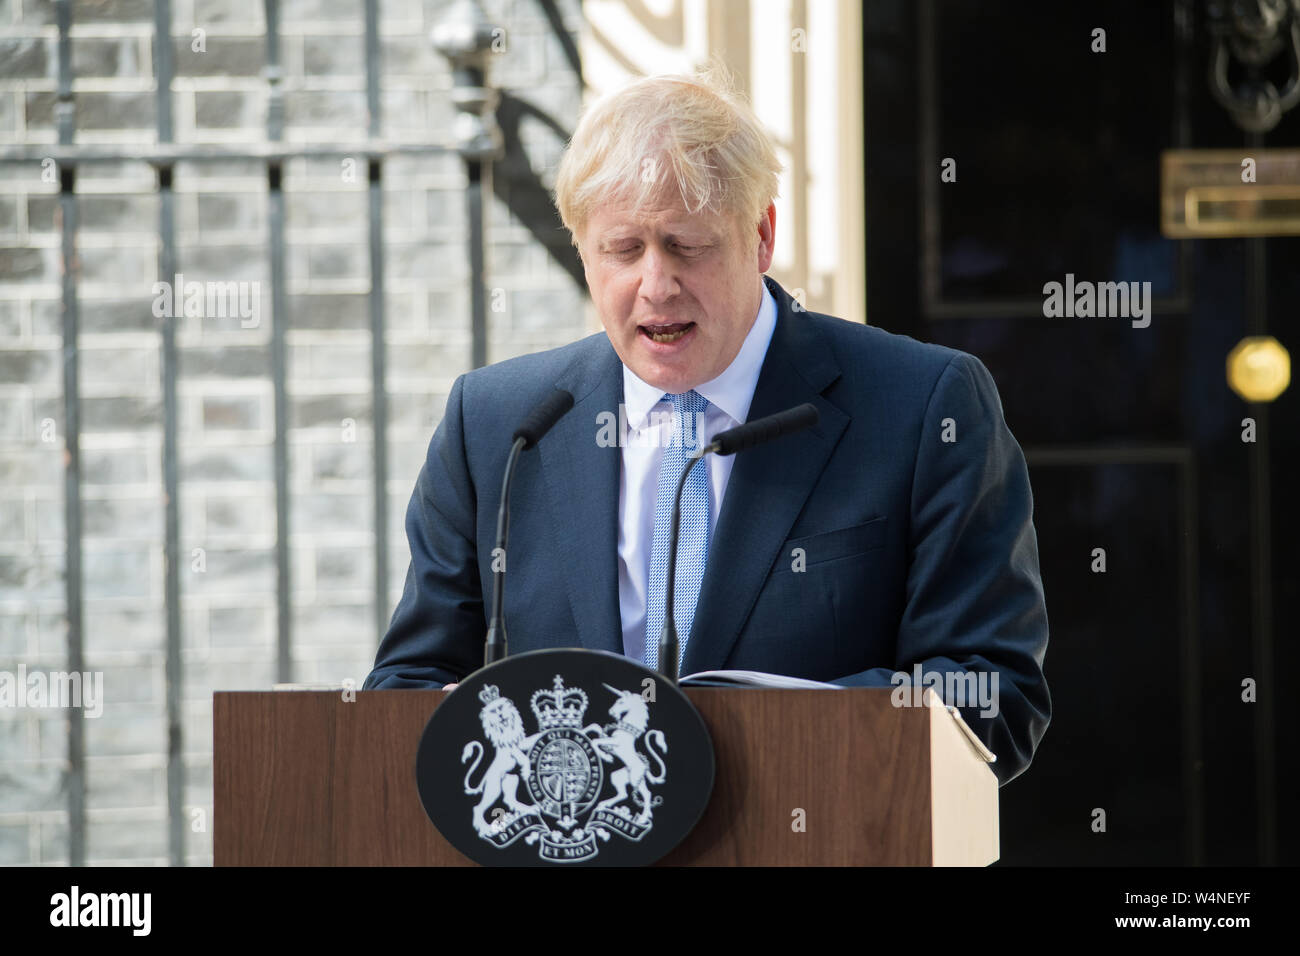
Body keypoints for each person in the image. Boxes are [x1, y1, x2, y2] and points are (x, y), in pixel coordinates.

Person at [363, 68, 1051, 785]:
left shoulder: (923, 404)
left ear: (760, 235)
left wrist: (753, 744)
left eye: (687, 245)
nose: (656, 285)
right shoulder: (499, 424)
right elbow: (409, 687)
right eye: (623, 250)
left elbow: (992, 693)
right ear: (582, 251)